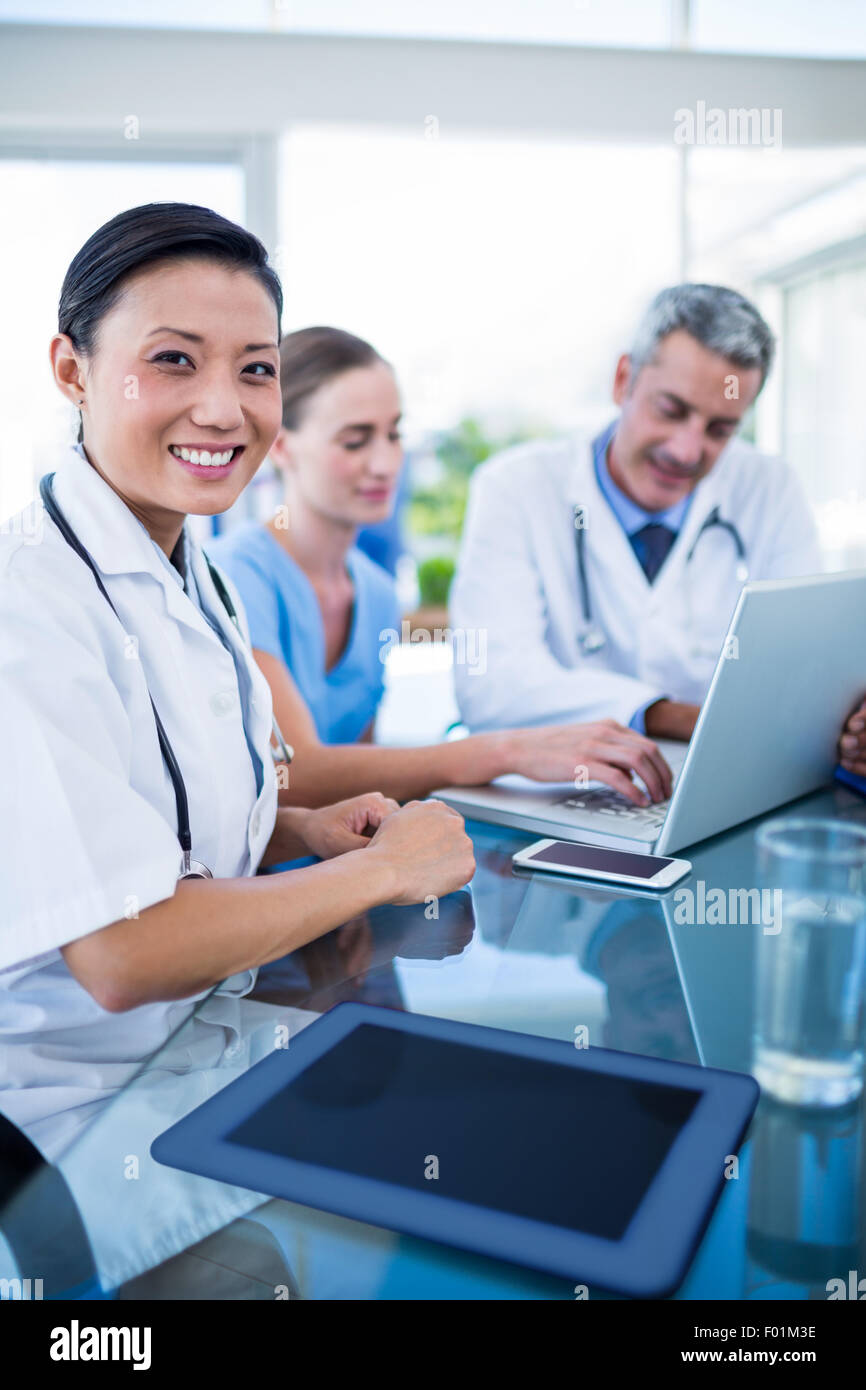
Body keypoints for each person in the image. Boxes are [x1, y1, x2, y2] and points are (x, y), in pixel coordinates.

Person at [0, 203, 476, 1145]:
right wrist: (384, 871)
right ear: (72, 371)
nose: (224, 407)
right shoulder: (28, 605)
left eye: (255, 368)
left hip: (207, 1059)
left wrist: (294, 825)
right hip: (68, 1133)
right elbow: (124, 951)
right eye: (174, 359)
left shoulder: (193, 567)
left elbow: (155, 825)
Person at [209, 326, 672, 810]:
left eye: (394, 433)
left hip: (339, 870)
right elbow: (292, 772)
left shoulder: (377, 592)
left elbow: (358, 788)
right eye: (355, 441)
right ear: (281, 446)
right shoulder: (236, 575)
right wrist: (508, 751)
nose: (386, 463)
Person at [450, 284, 823, 741]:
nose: (687, 451)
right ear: (623, 380)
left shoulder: (769, 487)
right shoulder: (514, 488)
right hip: (564, 790)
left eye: (720, 429)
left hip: (722, 778)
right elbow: (489, 686)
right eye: (670, 410)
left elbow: (808, 663)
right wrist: (670, 717)